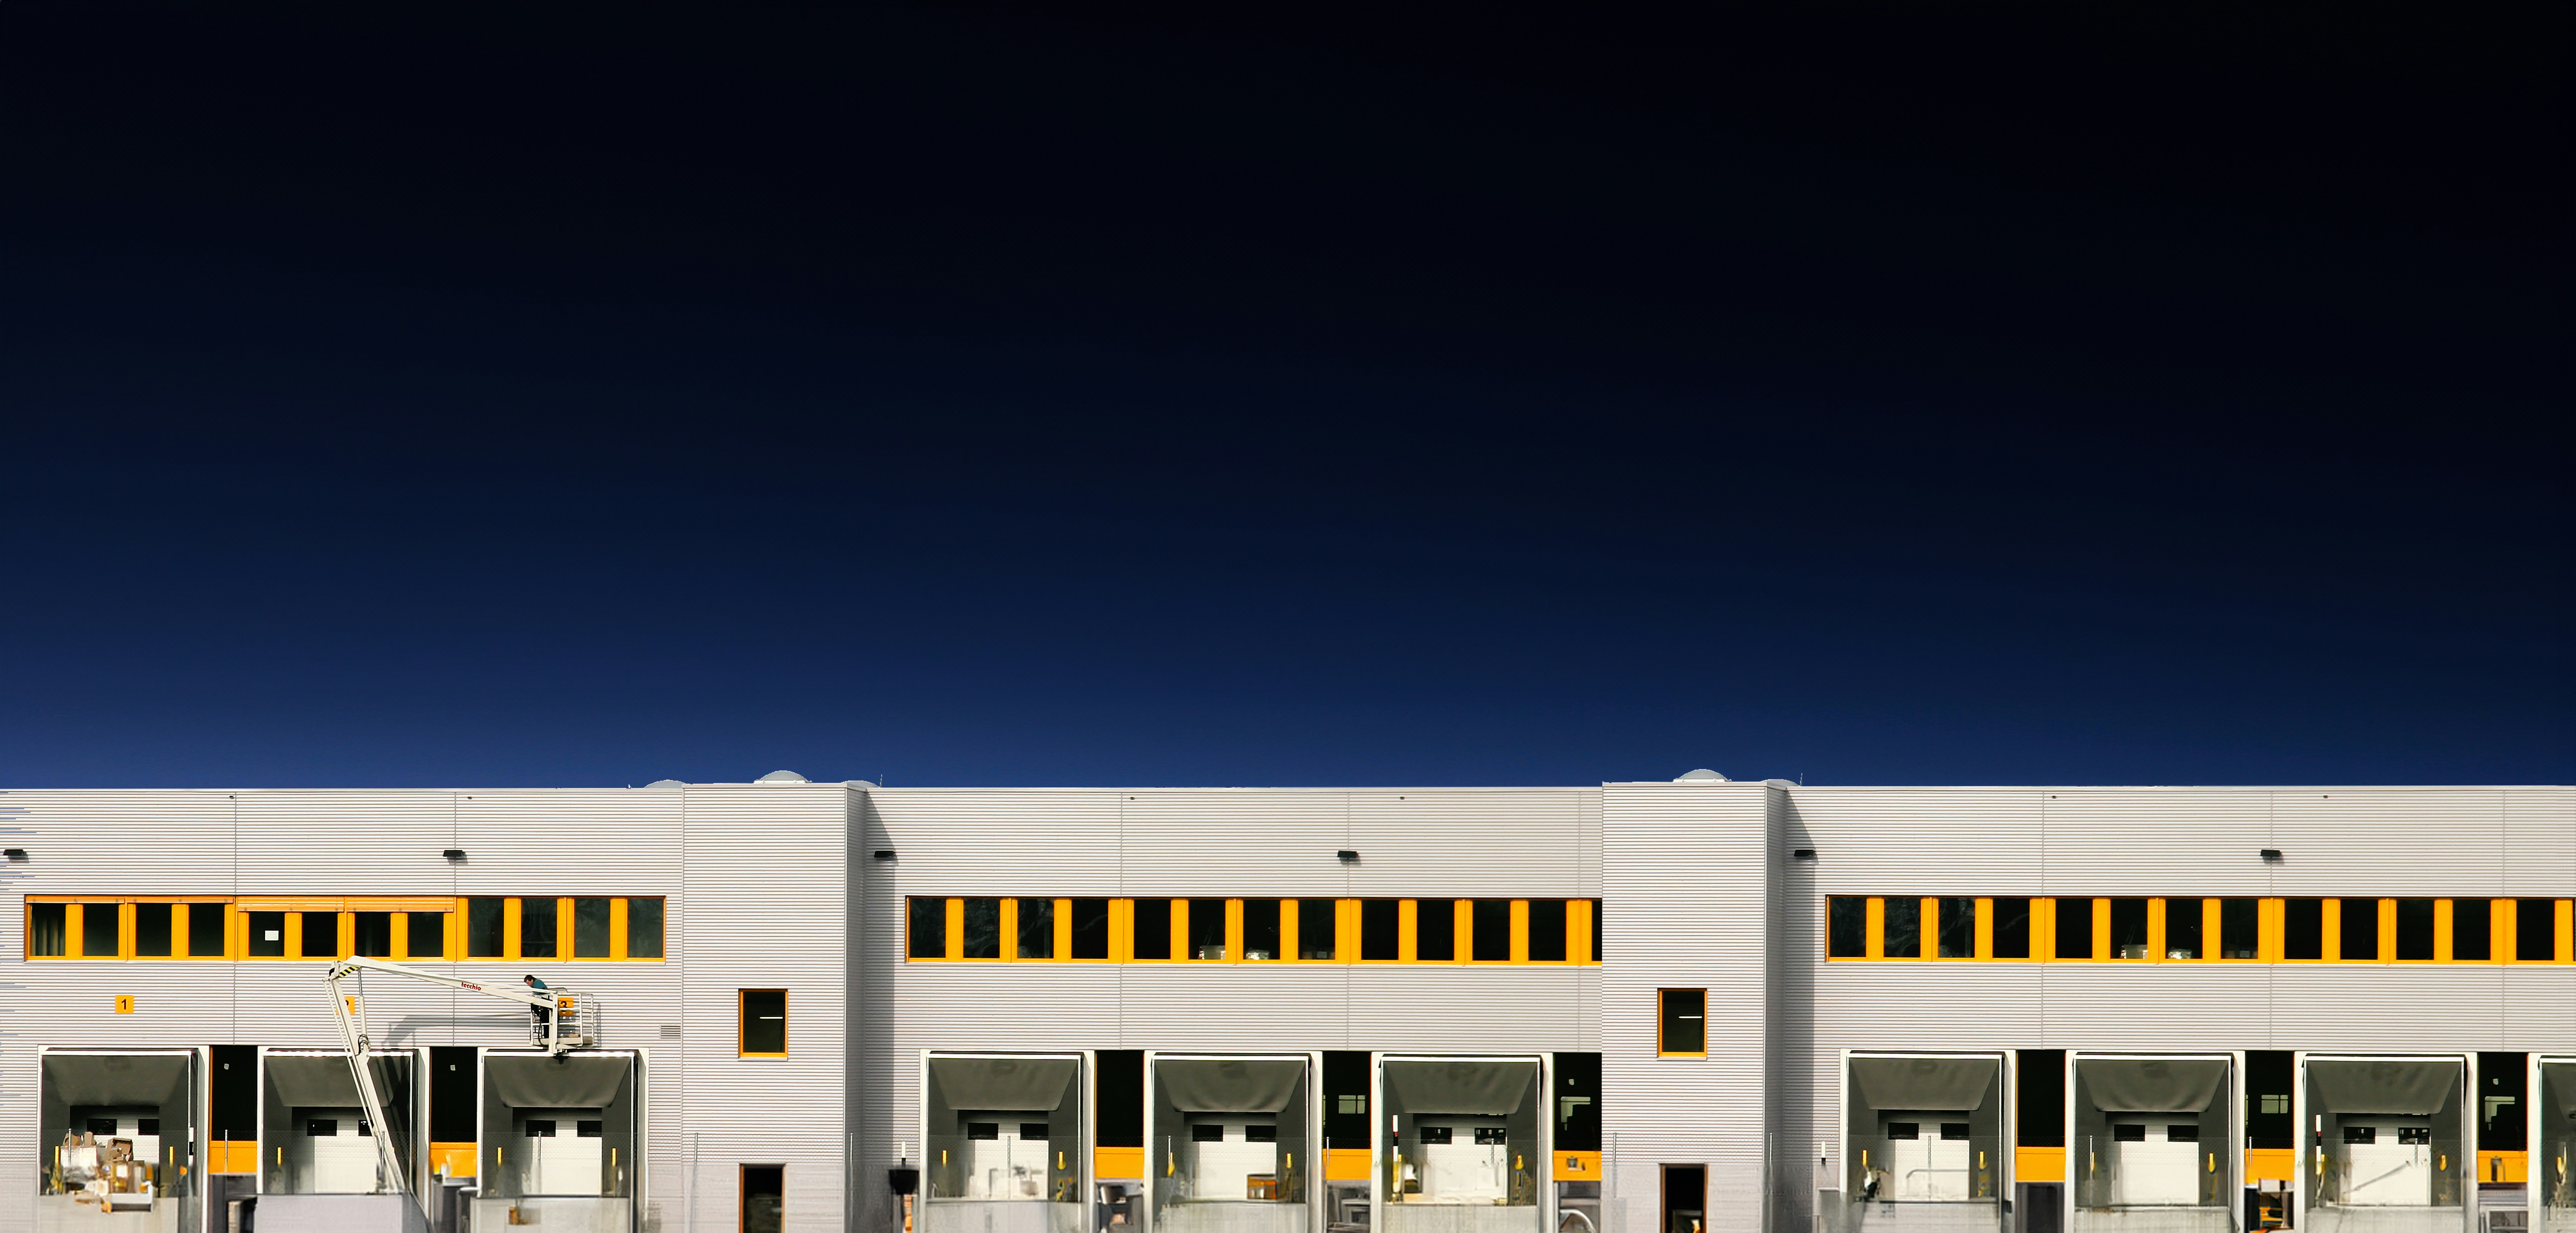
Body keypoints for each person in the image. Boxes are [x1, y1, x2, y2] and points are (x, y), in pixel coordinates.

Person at [524, 974, 552, 1039]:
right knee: (545, 1022)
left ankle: (547, 1036)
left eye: (529, 983)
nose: (529, 985)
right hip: (544, 1005)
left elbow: (541, 991)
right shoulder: (536, 985)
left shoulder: (538, 983)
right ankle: (546, 1036)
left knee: (546, 1021)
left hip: (546, 1005)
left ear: (532, 980)